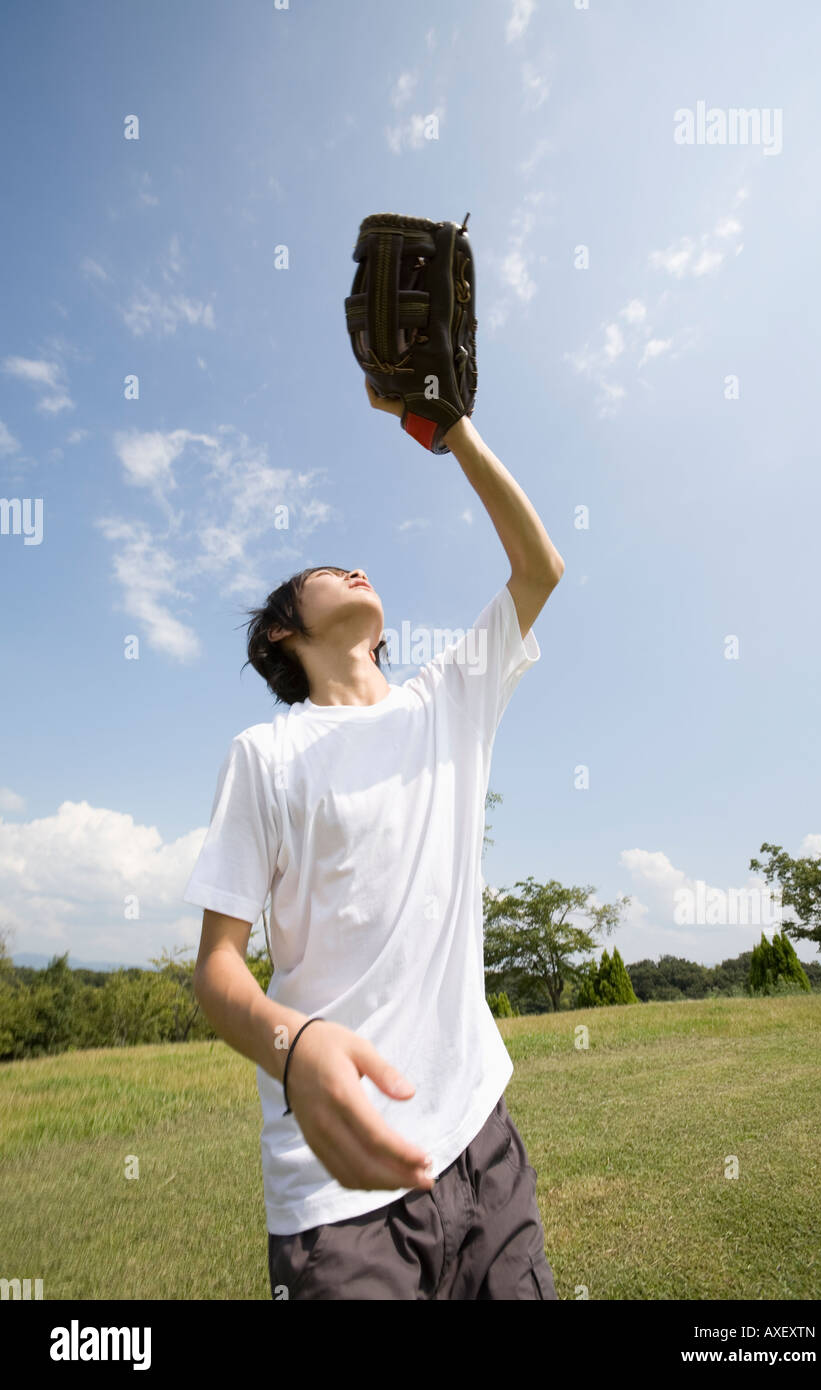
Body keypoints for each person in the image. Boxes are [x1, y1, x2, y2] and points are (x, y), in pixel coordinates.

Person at [184, 387, 564, 1299]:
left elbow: (539, 569)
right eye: (327, 571)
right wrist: (295, 1044)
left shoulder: (446, 703)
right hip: (338, 1186)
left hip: (481, 1137)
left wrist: (454, 430)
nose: (354, 567)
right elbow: (218, 968)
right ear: (287, 630)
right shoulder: (266, 755)